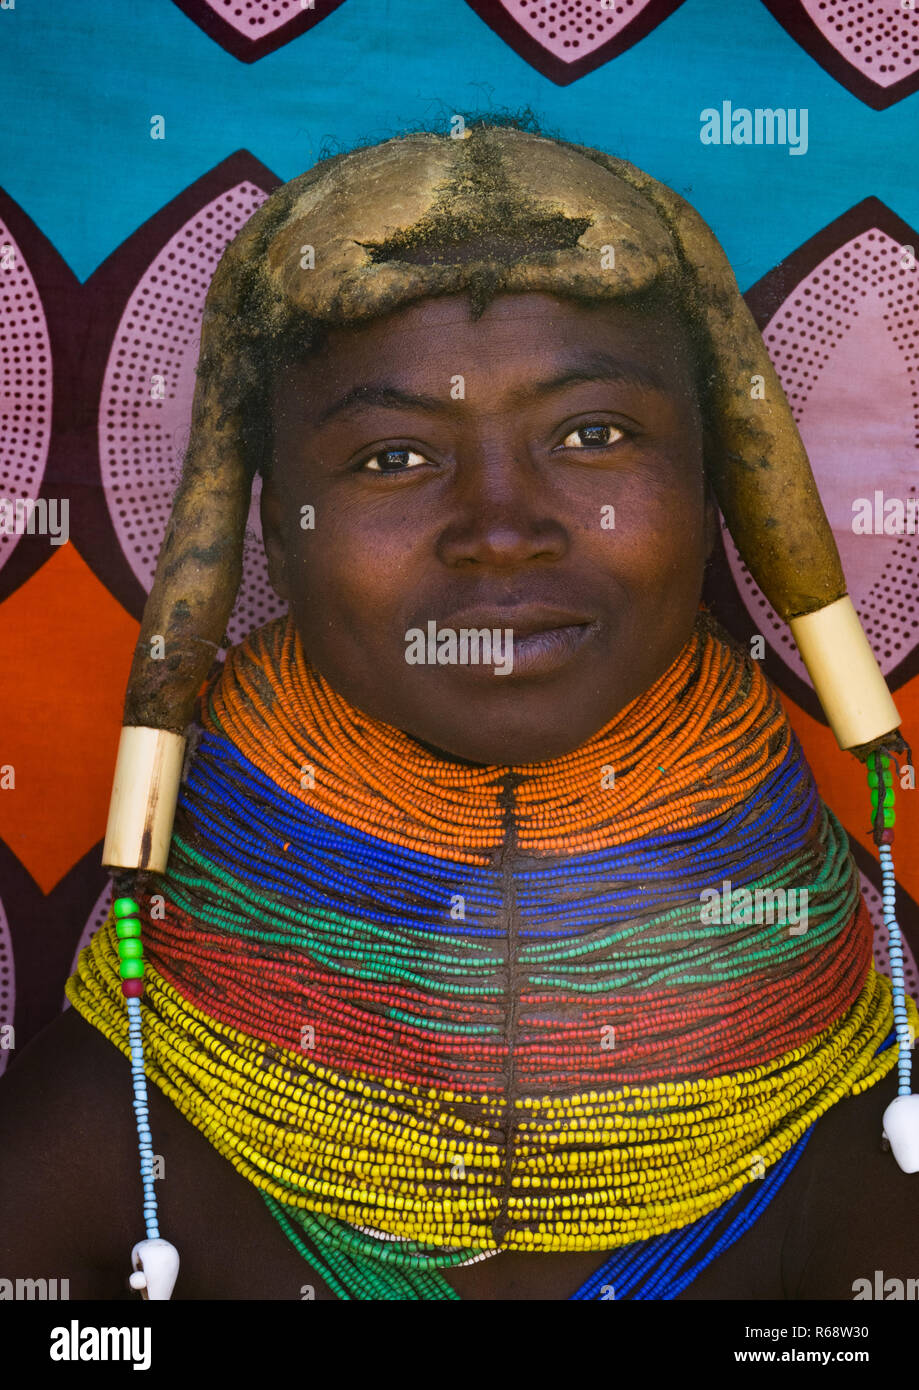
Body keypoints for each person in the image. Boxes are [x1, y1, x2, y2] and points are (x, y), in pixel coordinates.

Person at [1, 118, 917, 1301]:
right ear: (273, 529)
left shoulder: (860, 1115)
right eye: (392, 456)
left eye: (593, 435)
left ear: (710, 492)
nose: (501, 526)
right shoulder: (128, 1124)